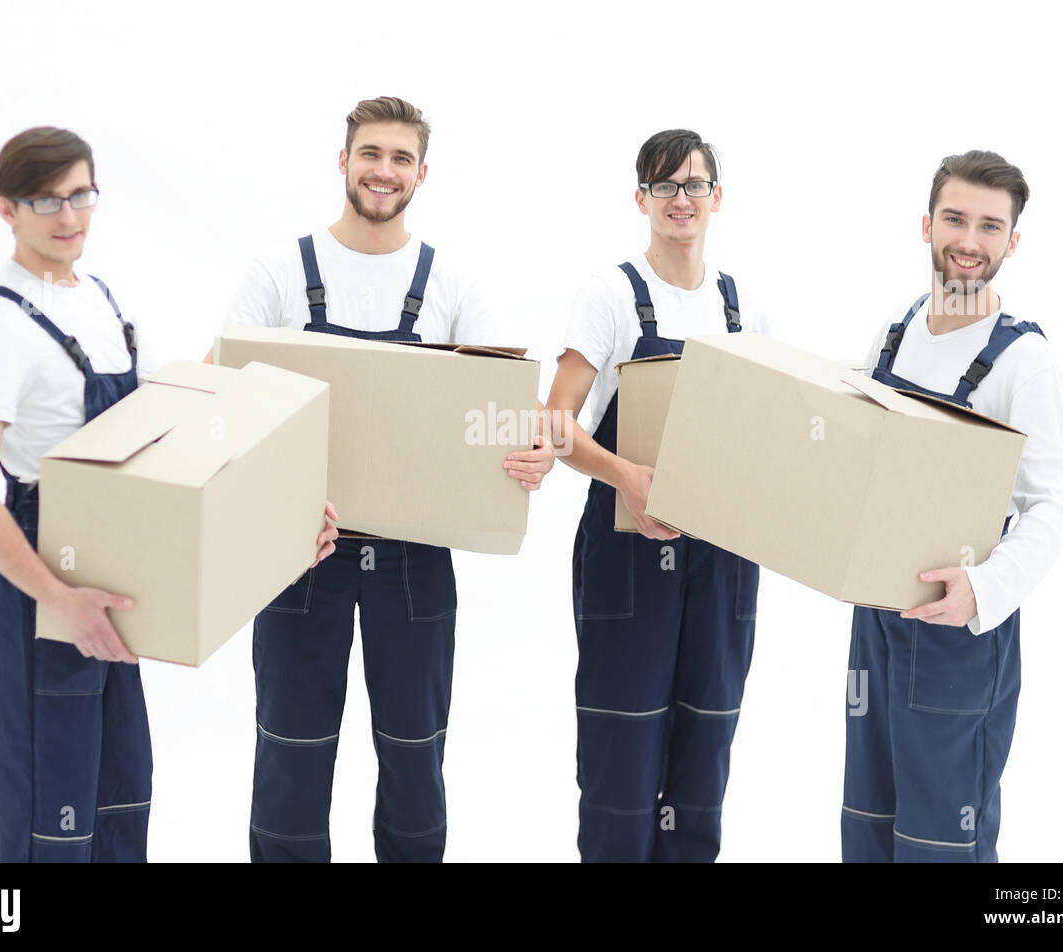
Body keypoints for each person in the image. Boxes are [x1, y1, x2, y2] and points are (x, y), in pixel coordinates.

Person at [0, 126, 340, 862]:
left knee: (121, 793)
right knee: (52, 813)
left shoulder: (98, 300)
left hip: (115, 566)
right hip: (45, 578)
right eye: (47, 201)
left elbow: (173, 431)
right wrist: (58, 599)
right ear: (7, 209)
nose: (69, 218)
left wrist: (283, 515)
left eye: (81, 195)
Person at [217, 96, 554, 862]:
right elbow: (222, 398)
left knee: (414, 758)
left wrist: (532, 447)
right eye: (370, 153)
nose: (383, 171)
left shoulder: (452, 285)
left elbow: (507, 410)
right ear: (343, 161)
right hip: (299, 554)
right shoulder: (277, 274)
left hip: (416, 560)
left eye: (401, 158)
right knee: (291, 756)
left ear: (422, 173)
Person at [841, 150, 1063, 862]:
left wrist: (983, 588)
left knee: (940, 839)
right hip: (877, 617)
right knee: (869, 819)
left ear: (1012, 240)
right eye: (955, 219)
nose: (968, 241)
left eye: (988, 226)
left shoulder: (1021, 359)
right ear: (926, 224)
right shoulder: (896, 328)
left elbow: (1052, 505)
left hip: (960, 633)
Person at [545, 129, 768, 862]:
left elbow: (772, 430)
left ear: (717, 198)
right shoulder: (610, 295)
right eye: (665, 186)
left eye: (694, 185)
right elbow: (554, 422)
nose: (681, 199)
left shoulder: (743, 309)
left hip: (727, 559)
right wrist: (628, 478)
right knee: (622, 755)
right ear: (641, 199)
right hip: (627, 555)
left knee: (704, 752)